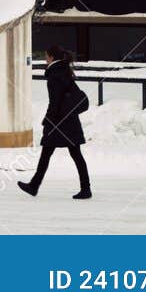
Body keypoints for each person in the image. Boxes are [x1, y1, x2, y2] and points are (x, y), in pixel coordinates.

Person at [18, 46, 92, 199]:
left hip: (59, 122)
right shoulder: (63, 70)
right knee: (73, 154)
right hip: (68, 121)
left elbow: (55, 101)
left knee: (52, 153)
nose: (45, 60)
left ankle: (34, 186)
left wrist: (49, 120)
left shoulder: (54, 74)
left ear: (51, 57)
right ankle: (85, 188)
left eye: (46, 56)